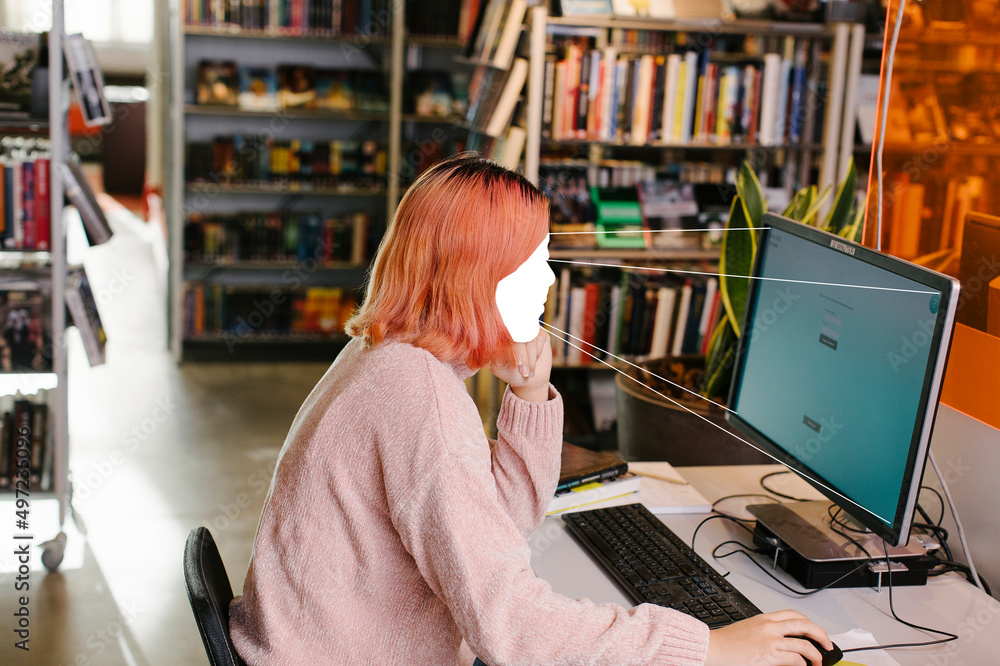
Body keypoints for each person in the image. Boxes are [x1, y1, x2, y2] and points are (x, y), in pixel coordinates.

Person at [229, 154, 834, 665]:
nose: (548, 277)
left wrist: (527, 394)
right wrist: (707, 648)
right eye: (534, 260)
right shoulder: (420, 400)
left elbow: (493, 523)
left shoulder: (387, 354)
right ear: (480, 276)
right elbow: (511, 629)